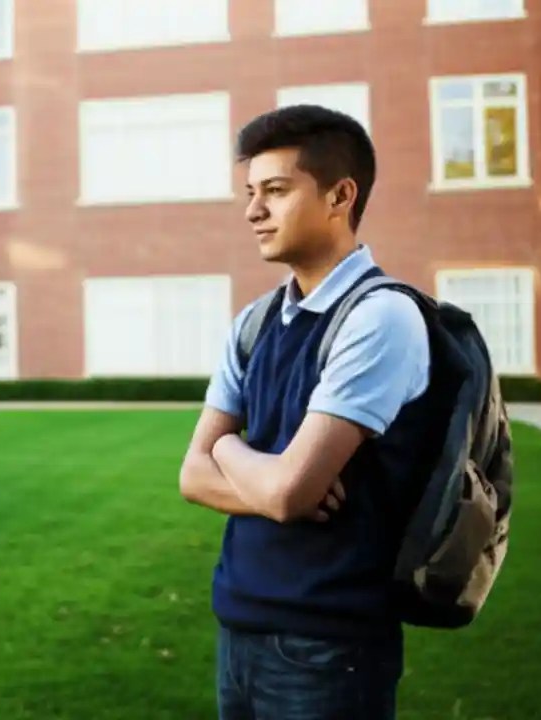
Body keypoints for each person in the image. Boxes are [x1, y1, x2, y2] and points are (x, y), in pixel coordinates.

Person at [179, 104, 441, 719]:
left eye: (275, 190)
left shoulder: (380, 317)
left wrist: (226, 448)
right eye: (250, 192)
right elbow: (191, 478)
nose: (253, 211)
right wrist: (265, 482)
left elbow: (287, 493)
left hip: (329, 648)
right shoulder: (254, 323)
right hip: (239, 630)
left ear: (339, 196)